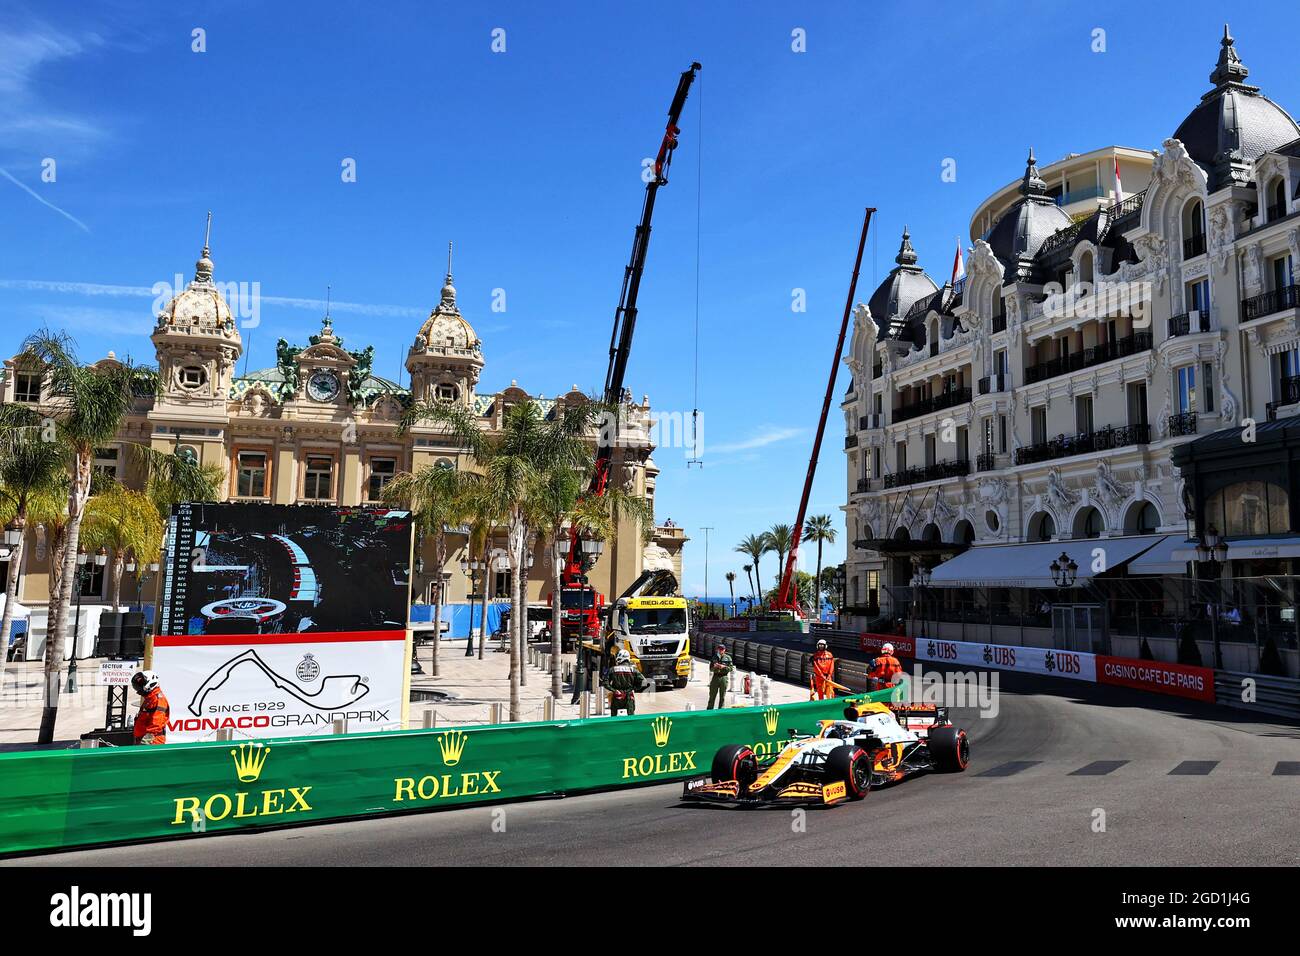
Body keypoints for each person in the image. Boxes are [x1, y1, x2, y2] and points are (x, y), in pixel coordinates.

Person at [602, 648, 648, 716]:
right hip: (629, 696)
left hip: (616, 696)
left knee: (614, 719)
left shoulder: (613, 669)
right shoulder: (633, 670)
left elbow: (605, 683)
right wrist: (633, 688)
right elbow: (644, 682)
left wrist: (614, 690)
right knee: (630, 719)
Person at [131, 670, 169, 745]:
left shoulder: (158, 699)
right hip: (144, 740)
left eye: (140, 686)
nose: (138, 689)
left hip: (153, 742)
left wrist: (146, 741)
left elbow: (156, 723)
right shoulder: (150, 698)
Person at [707, 641, 734, 710]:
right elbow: (711, 669)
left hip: (724, 677)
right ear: (717, 649)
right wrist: (715, 667)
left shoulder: (728, 658)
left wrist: (723, 667)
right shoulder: (714, 657)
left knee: (722, 696)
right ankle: (710, 709)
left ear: (724, 650)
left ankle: (721, 709)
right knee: (712, 695)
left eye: (722, 649)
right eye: (719, 649)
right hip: (715, 677)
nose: (720, 650)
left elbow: (731, 668)